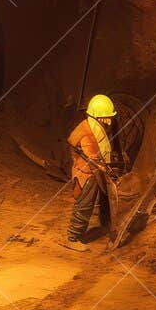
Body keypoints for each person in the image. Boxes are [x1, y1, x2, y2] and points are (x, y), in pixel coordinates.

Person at [60, 94, 121, 252]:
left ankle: (105, 225)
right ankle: (72, 238)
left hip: (94, 172)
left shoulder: (92, 126)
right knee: (84, 206)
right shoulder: (88, 134)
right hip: (86, 175)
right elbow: (94, 157)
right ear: (98, 117)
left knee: (102, 200)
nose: (109, 121)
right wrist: (109, 170)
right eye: (107, 117)